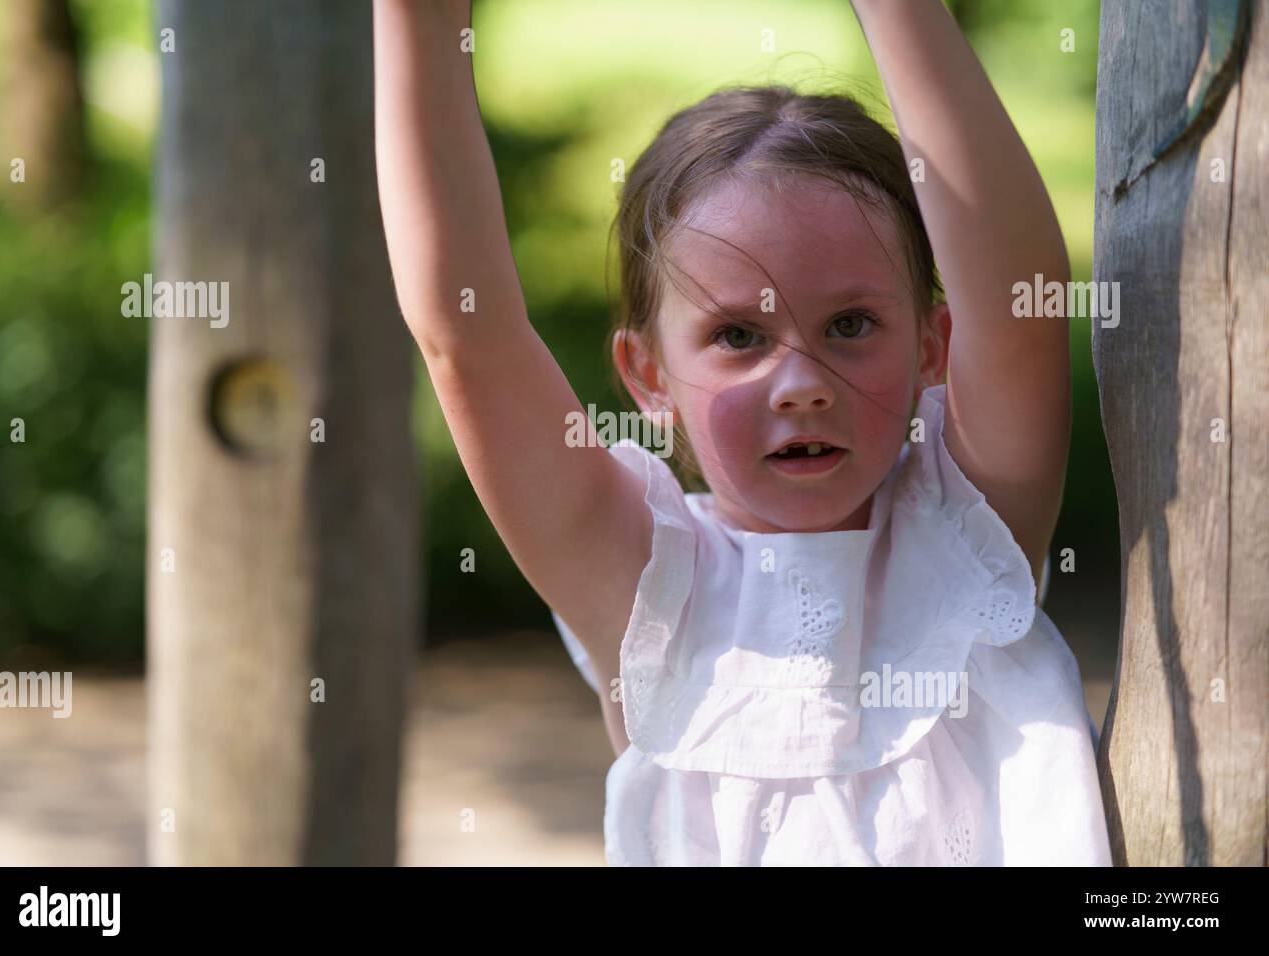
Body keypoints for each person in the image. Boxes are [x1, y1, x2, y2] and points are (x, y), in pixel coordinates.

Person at [372, 0, 1111, 866]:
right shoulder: (643, 588)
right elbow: (469, 342)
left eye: (850, 326)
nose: (801, 385)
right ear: (648, 376)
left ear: (931, 345)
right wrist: (417, 24)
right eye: (738, 338)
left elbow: (1020, 301)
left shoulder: (969, 530)